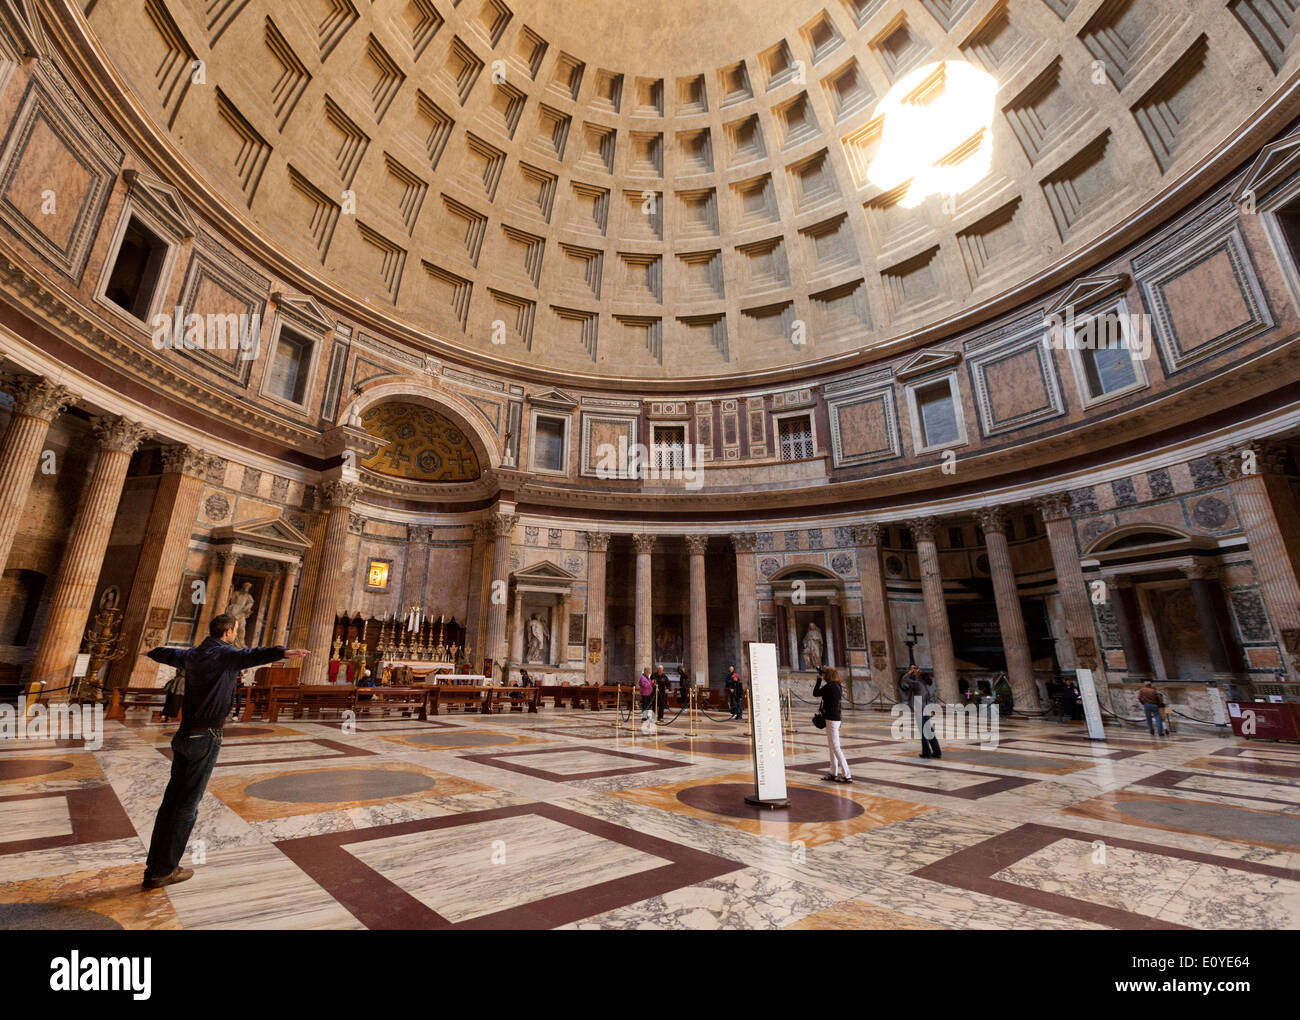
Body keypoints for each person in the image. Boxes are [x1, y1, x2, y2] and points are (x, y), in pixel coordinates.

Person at [138, 614, 307, 890]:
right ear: (228, 633)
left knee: (171, 802)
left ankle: (156, 866)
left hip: (184, 734)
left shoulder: (194, 654)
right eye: (236, 631)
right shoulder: (226, 655)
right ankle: (163, 870)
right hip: (206, 736)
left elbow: (171, 654)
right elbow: (250, 656)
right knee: (187, 806)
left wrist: (152, 652)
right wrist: (282, 652)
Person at [814, 666, 852, 783]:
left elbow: (815, 693)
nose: (823, 675)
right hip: (835, 718)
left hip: (831, 719)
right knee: (832, 746)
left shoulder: (830, 686)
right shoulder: (837, 686)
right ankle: (833, 772)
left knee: (835, 747)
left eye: (825, 674)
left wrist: (819, 679)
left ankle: (847, 775)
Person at [899, 665, 941, 759]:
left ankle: (927, 753)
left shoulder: (918, 684)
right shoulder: (924, 685)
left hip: (920, 710)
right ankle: (937, 752)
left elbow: (905, 679)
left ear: (919, 677)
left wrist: (910, 672)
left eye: (917, 674)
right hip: (925, 709)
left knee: (923, 732)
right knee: (929, 731)